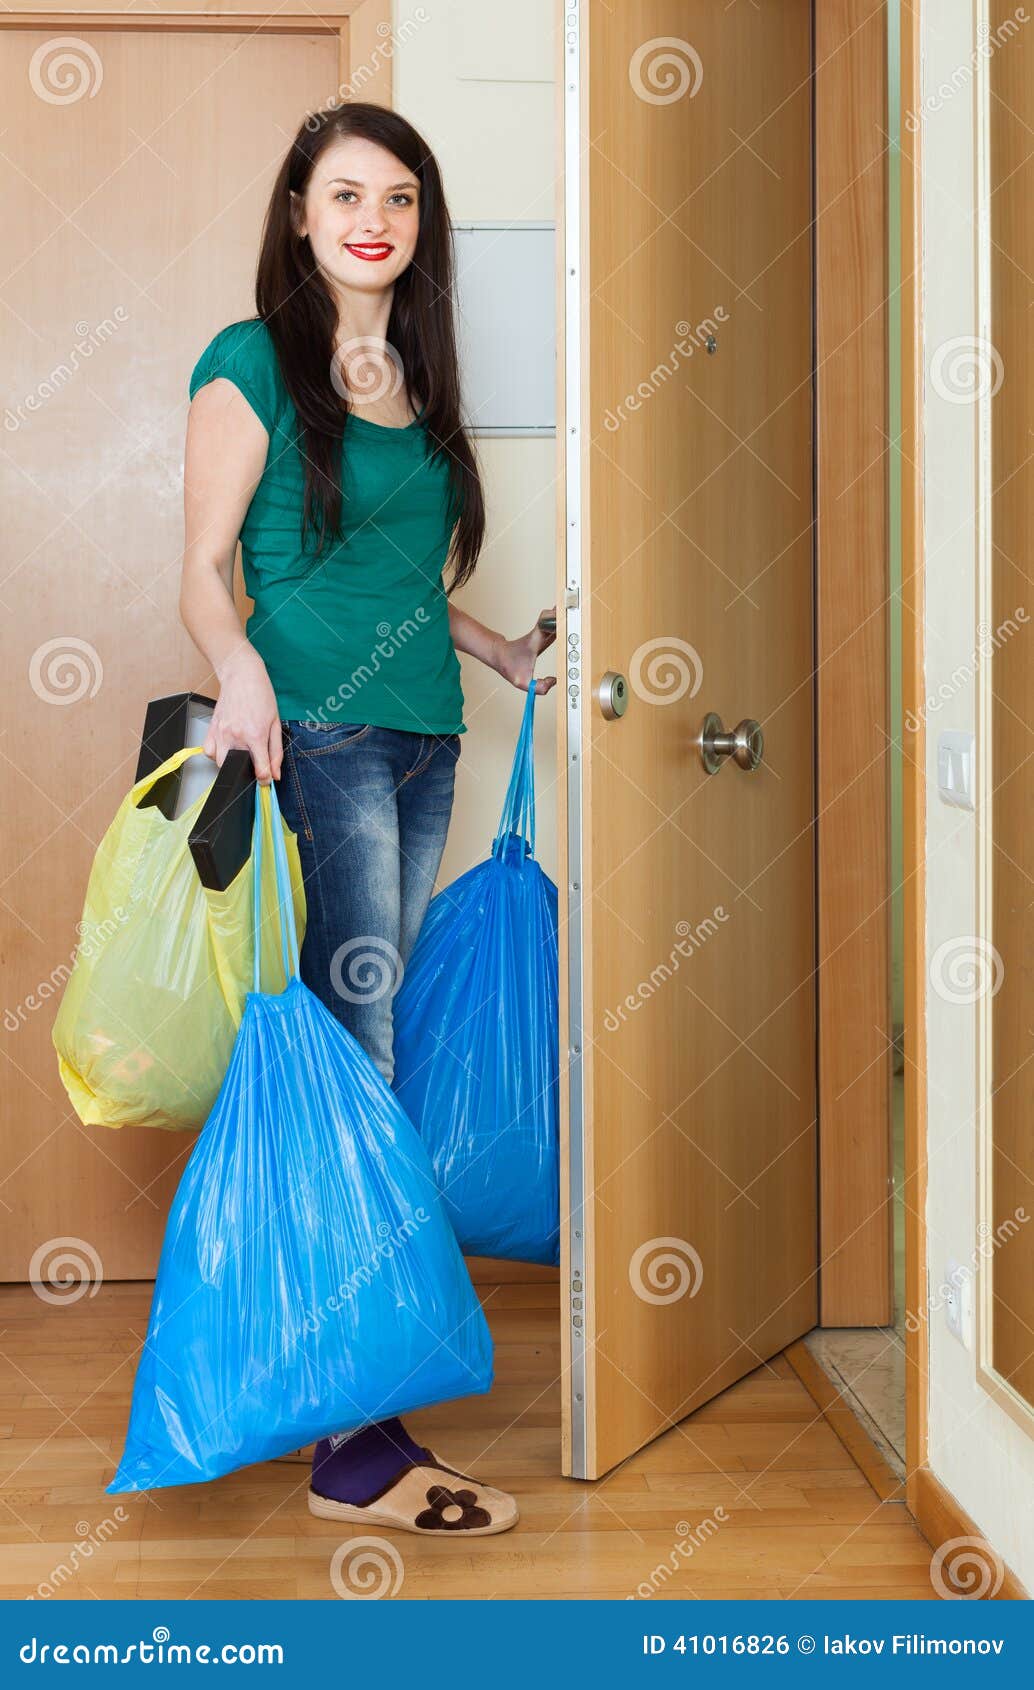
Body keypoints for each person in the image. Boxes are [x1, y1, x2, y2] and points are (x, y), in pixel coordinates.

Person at [180, 101, 555, 1536]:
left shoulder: (412, 373)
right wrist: (240, 676)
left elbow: (391, 572)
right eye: (345, 193)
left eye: (399, 196)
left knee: (372, 1053)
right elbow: (206, 565)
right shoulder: (250, 360)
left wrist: (495, 655)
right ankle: (355, 1439)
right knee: (365, 1047)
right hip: (315, 735)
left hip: (419, 738)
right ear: (298, 211)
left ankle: (329, 1373)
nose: (373, 217)